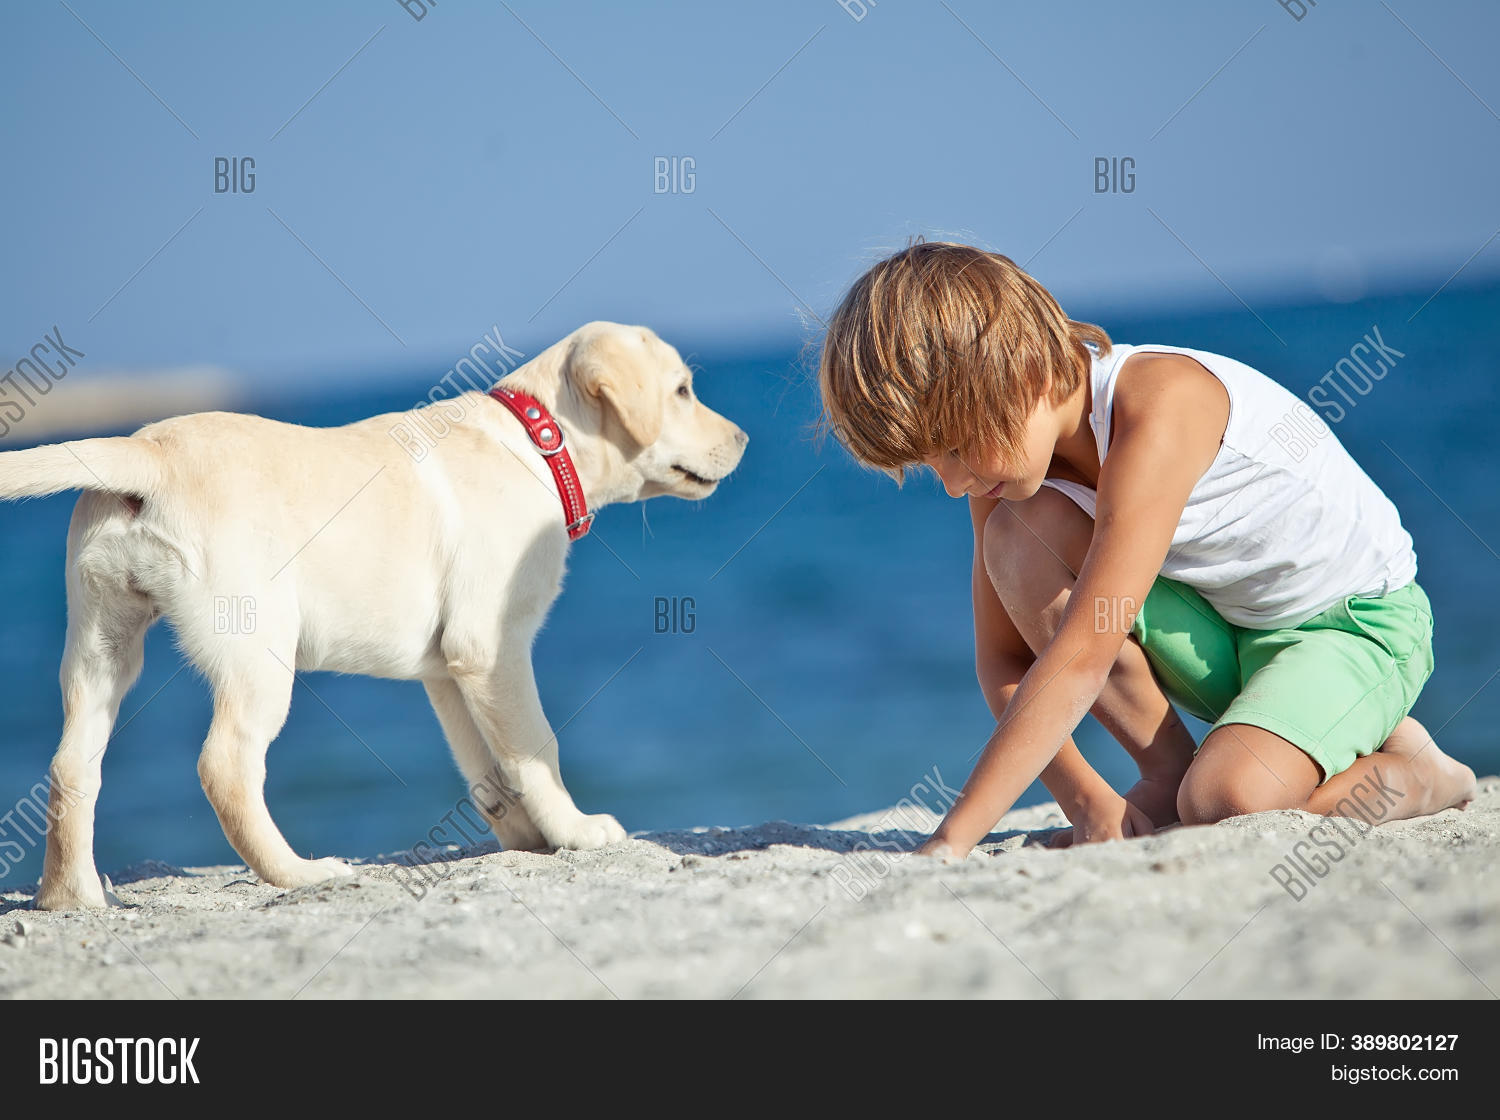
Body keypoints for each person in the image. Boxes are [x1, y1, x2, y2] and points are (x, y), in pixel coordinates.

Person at [817, 240, 1476, 858]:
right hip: (1233, 634)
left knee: (1227, 800)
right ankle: (1169, 774)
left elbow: (1080, 657)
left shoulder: (1158, 408)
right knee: (1019, 535)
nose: (954, 482)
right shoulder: (1010, 463)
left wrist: (951, 842)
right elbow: (1004, 660)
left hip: (1356, 627)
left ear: (1016, 372)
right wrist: (1086, 801)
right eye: (932, 464)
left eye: (956, 448)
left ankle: (1416, 772)